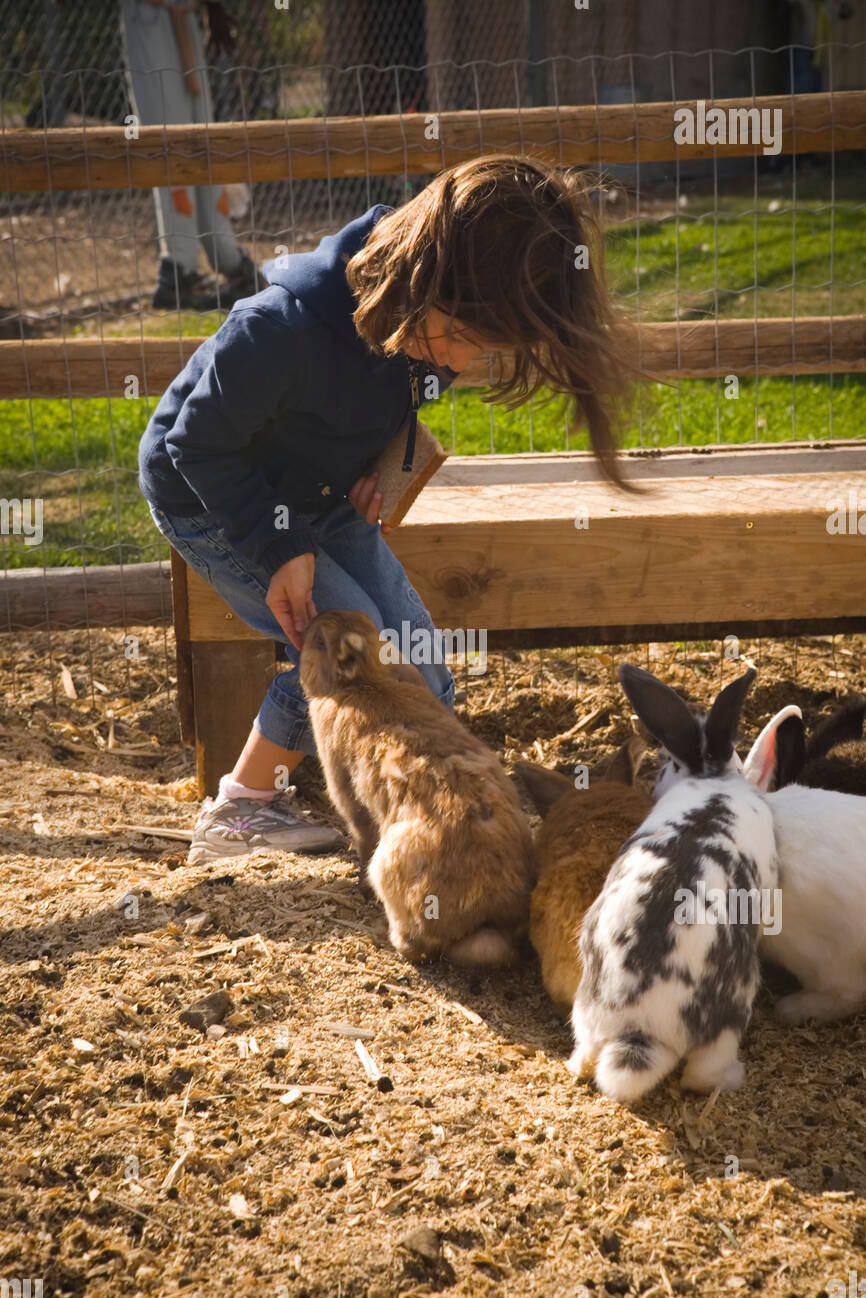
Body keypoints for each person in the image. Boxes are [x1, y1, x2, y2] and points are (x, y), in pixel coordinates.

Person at [138, 155, 634, 865]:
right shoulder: (276, 332)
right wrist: (279, 552)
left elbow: (396, 400)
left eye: (479, 349)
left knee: (426, 672)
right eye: (461, 339)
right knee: (349, 662)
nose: (459, 364)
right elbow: (199, 445)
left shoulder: (425, 319)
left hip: (320, 493)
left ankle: (403, 811)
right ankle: (242, 811)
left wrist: (384, 458)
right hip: (216, 500)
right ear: (422, 279)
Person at [119, 0, 259, 309]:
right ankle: (177, 271)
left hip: (186, 15)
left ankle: (229, 261)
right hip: (148, 15)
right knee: (168, 141)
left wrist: (214, 7)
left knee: (201, 143)